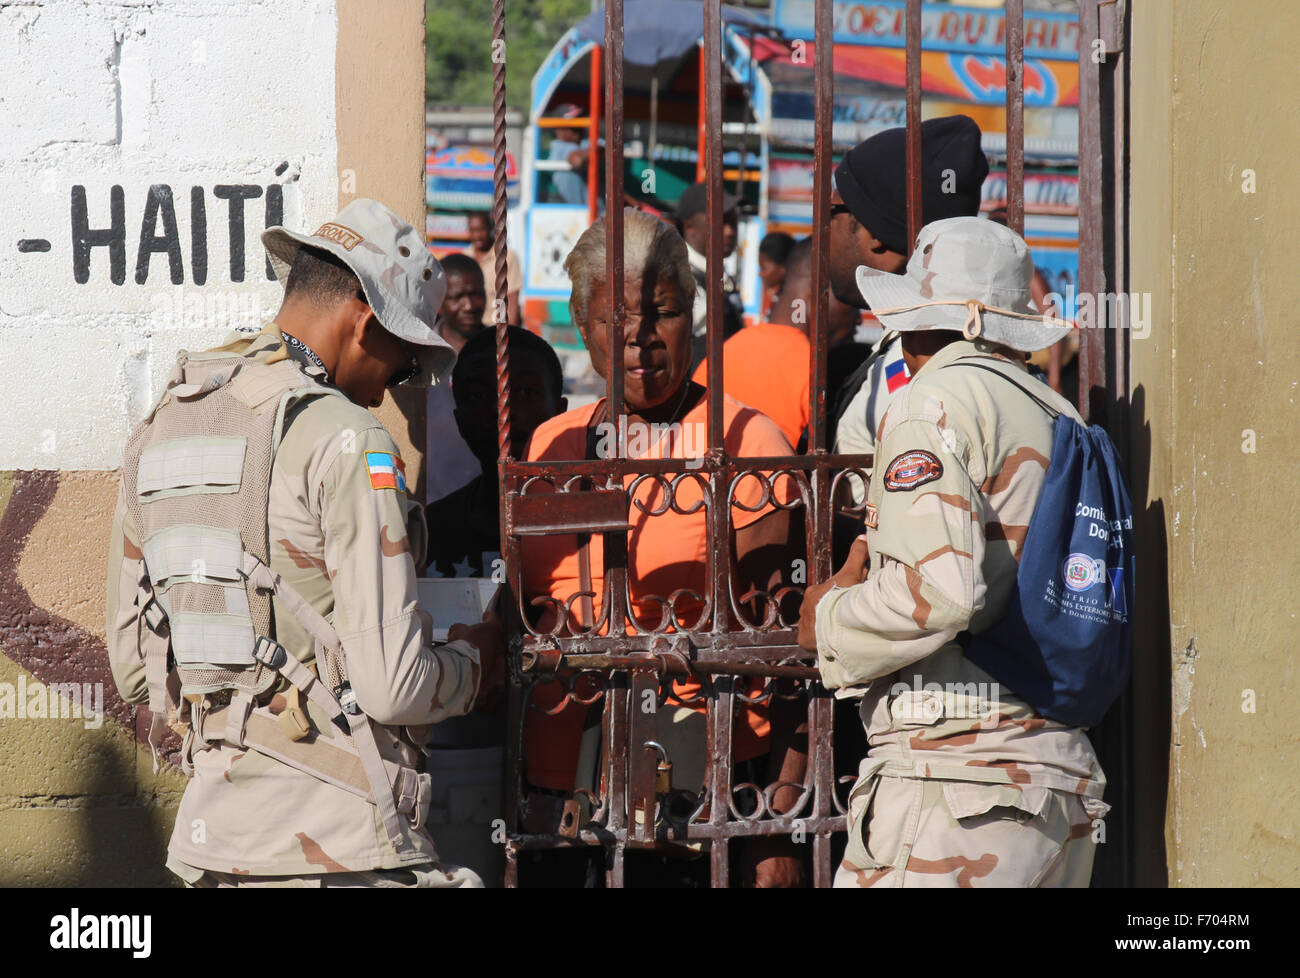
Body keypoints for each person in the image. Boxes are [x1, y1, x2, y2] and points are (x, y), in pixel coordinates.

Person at [105, 198, 502, 888]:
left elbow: (138, 672)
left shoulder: (163, 425)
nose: (391, 392)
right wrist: (475, 659)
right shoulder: (347, 440)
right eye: (405, 361)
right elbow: (394, 686)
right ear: (364, 315)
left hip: (215, 849)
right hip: (344, 843)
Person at [797, 216, 1109, 888]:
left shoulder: (932, 405)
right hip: (1057, 787)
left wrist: (827, 619)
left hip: (956, 787)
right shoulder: (1061, 414)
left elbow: (938, 593)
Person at [521, 208, 807, 887]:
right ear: (582, 324)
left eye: (665, 312)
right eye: (613, 319)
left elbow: (793, 646)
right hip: (556, 805)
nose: (639, 338)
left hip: (692, 804)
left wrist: (780, 822)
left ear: (694, 315)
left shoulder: (746, 443)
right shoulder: (550, 447)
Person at [829, 115, 991, 500]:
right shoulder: (957, 342)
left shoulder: (917, 368)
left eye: (831, 213)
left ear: (872, 237)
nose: (821, 231)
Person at [687, 236, 862, 452]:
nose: (859, 317)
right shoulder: (814, 370)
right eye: (850, 301)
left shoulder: (722, 354)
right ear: (815, 299)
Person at [426, 325, 567, 579]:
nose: (501, 412)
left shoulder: (589, 522)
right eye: (479, 395)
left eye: (524, 392)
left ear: (559, 411)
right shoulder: (433, 529)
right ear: (460, 421)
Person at [425, 252, 485, 505]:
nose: (469, 306)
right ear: (440, 301)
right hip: (436, 496)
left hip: (489, 497)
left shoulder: (502, 351)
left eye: (475, 294)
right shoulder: (424, 354)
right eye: (458, 297)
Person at [676, 181, 745, 369]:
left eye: (732, 220)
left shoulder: (716, 274)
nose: (730, 231)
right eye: (721, 221)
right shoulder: (678, 279)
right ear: (690, 226)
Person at [466, 212, 521, 328]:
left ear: (490, 229)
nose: (477, 236)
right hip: (470, 329)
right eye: (473, 231)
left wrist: (511, 334)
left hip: (495, 328)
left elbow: (512, 300)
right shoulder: (465, 257)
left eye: (481, 230)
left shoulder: (507, 257)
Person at [758, 231, 795, 318]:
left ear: (783, 266)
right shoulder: (779, 296)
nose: (760, 274)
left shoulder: (793, 303)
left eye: (764, 268)